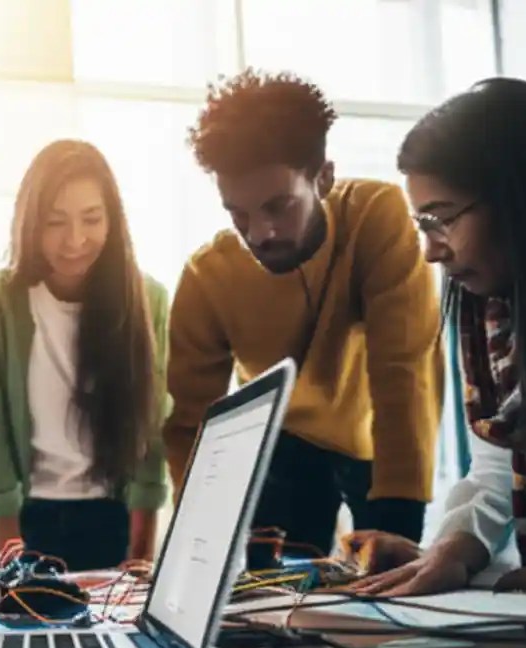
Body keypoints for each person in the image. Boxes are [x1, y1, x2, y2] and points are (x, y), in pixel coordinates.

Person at [167, 69, 444, 559]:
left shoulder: (377, 217)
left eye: (279, 207)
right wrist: (197, 537)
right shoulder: (207, 276)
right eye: (239, 214)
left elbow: (403, 370)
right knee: (273, 595)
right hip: (288, 440)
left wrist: (400, 506)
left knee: (390, 585)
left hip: (382, 432)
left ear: (325, 177)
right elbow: (191, 424)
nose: (259, 233)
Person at [346, 78, 526, 598]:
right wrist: (450, 553)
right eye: (421, 224)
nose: (430, 251)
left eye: (441, 220)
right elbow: (497, 470)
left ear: (525, 200)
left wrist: (511, 580)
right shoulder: (496, 318)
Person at [0, 139, 170, 571]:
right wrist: (10, 563)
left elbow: (150, 432)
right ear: (30, 223)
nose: (75, 240)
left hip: (113, 518)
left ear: (113, 220)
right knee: (30, 635)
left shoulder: (147, 298)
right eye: (55, 222)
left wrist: (140, 553)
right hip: (28, 520)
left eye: (92, 219)